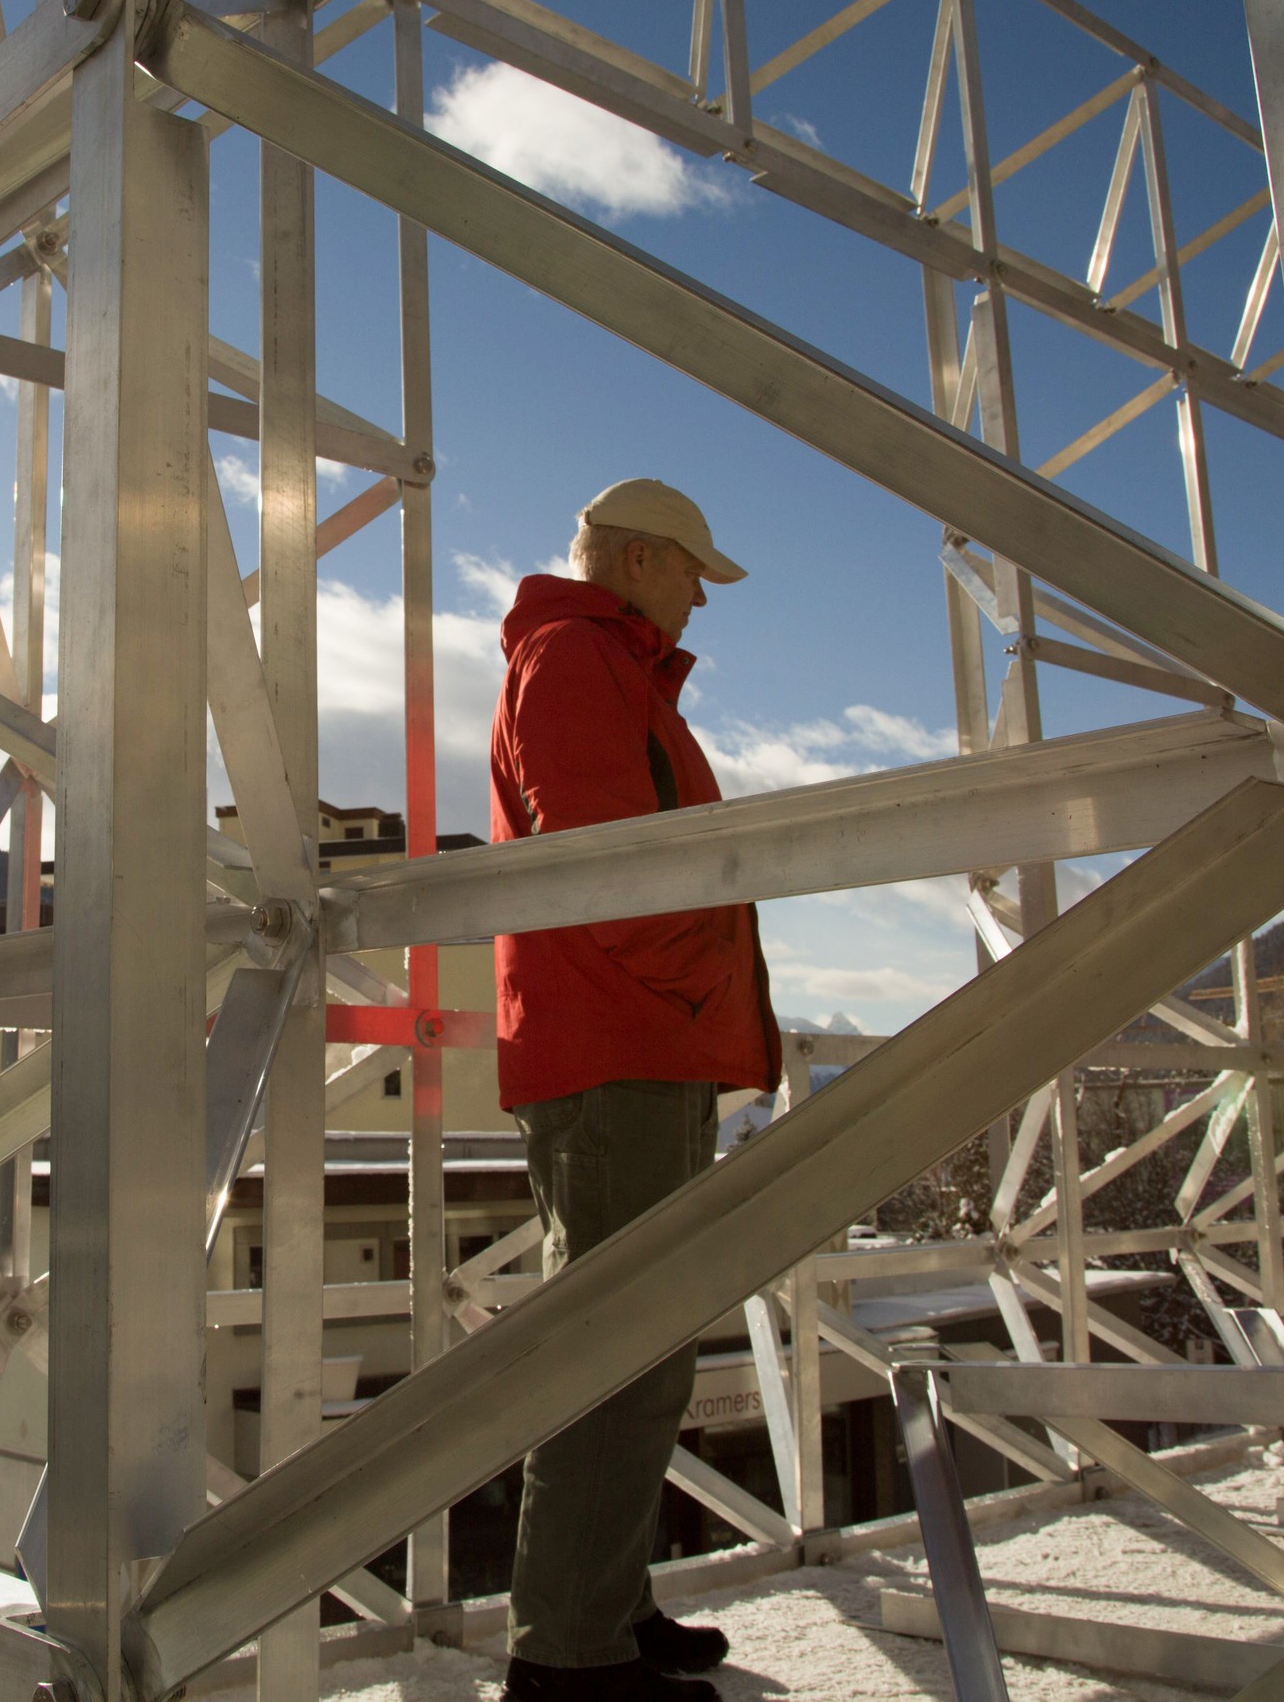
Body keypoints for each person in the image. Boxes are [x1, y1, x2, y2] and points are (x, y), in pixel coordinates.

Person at [490, 478, 783, 1702]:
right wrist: (700, 975)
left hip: (639, 1037)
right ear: (641, 558)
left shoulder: (602, 662)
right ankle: (568, 1660)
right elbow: (602, 856)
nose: (699, 599)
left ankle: (602, 1611)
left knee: (637, 1351)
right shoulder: (575, 656)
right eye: (693, 574)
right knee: (611, 1353)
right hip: (621, 1040)